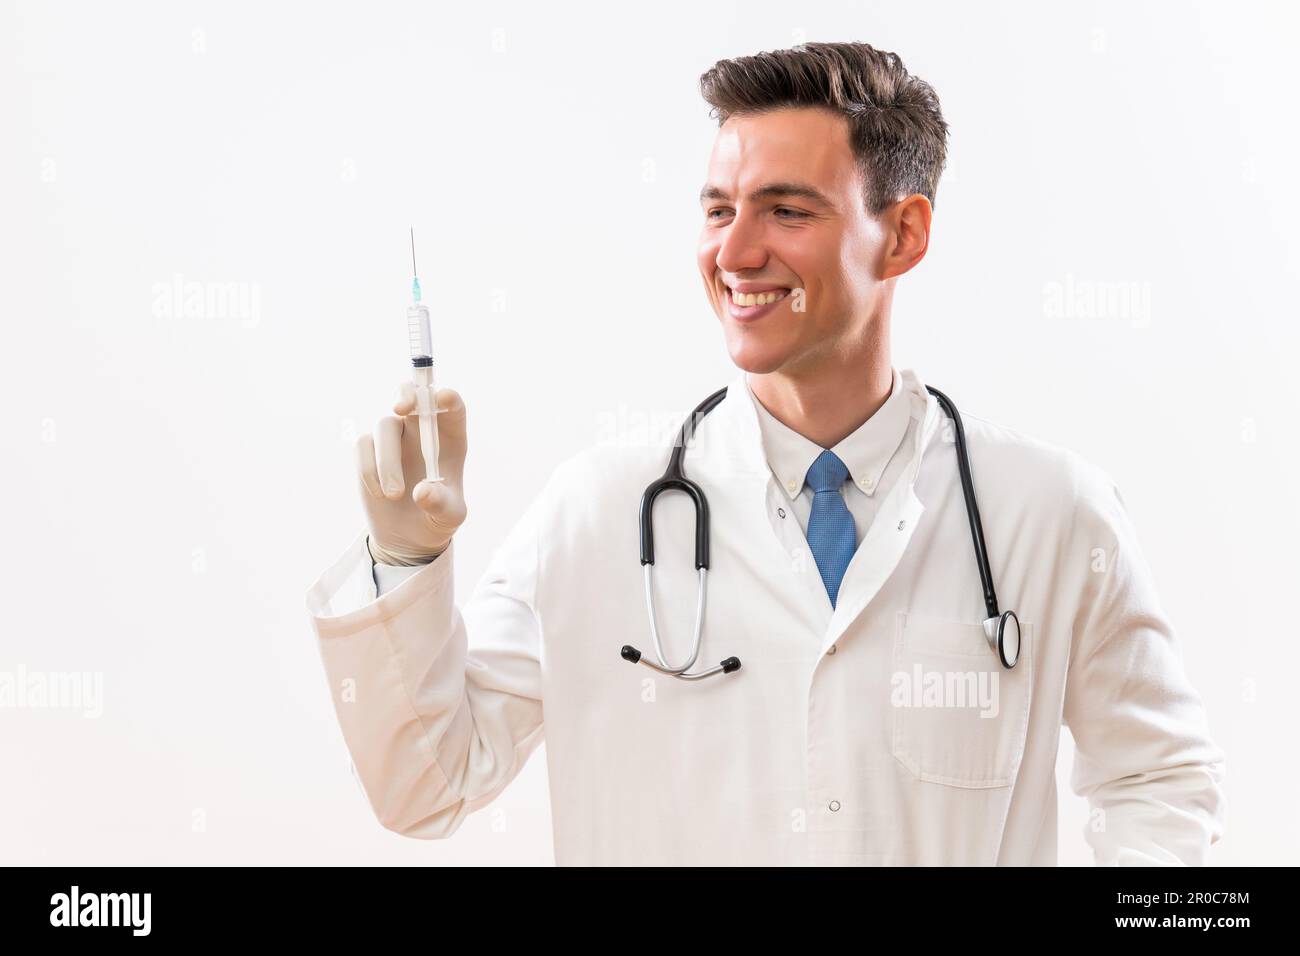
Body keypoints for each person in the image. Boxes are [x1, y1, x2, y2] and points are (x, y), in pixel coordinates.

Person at [305, 41, 1225, 865]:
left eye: (786, 210)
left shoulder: (1051, 511)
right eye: (718, 210)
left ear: (902, 234)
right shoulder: (597, 510)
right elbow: (427, 789)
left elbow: (1160, 785)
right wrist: (407, 562)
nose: (735, 252)